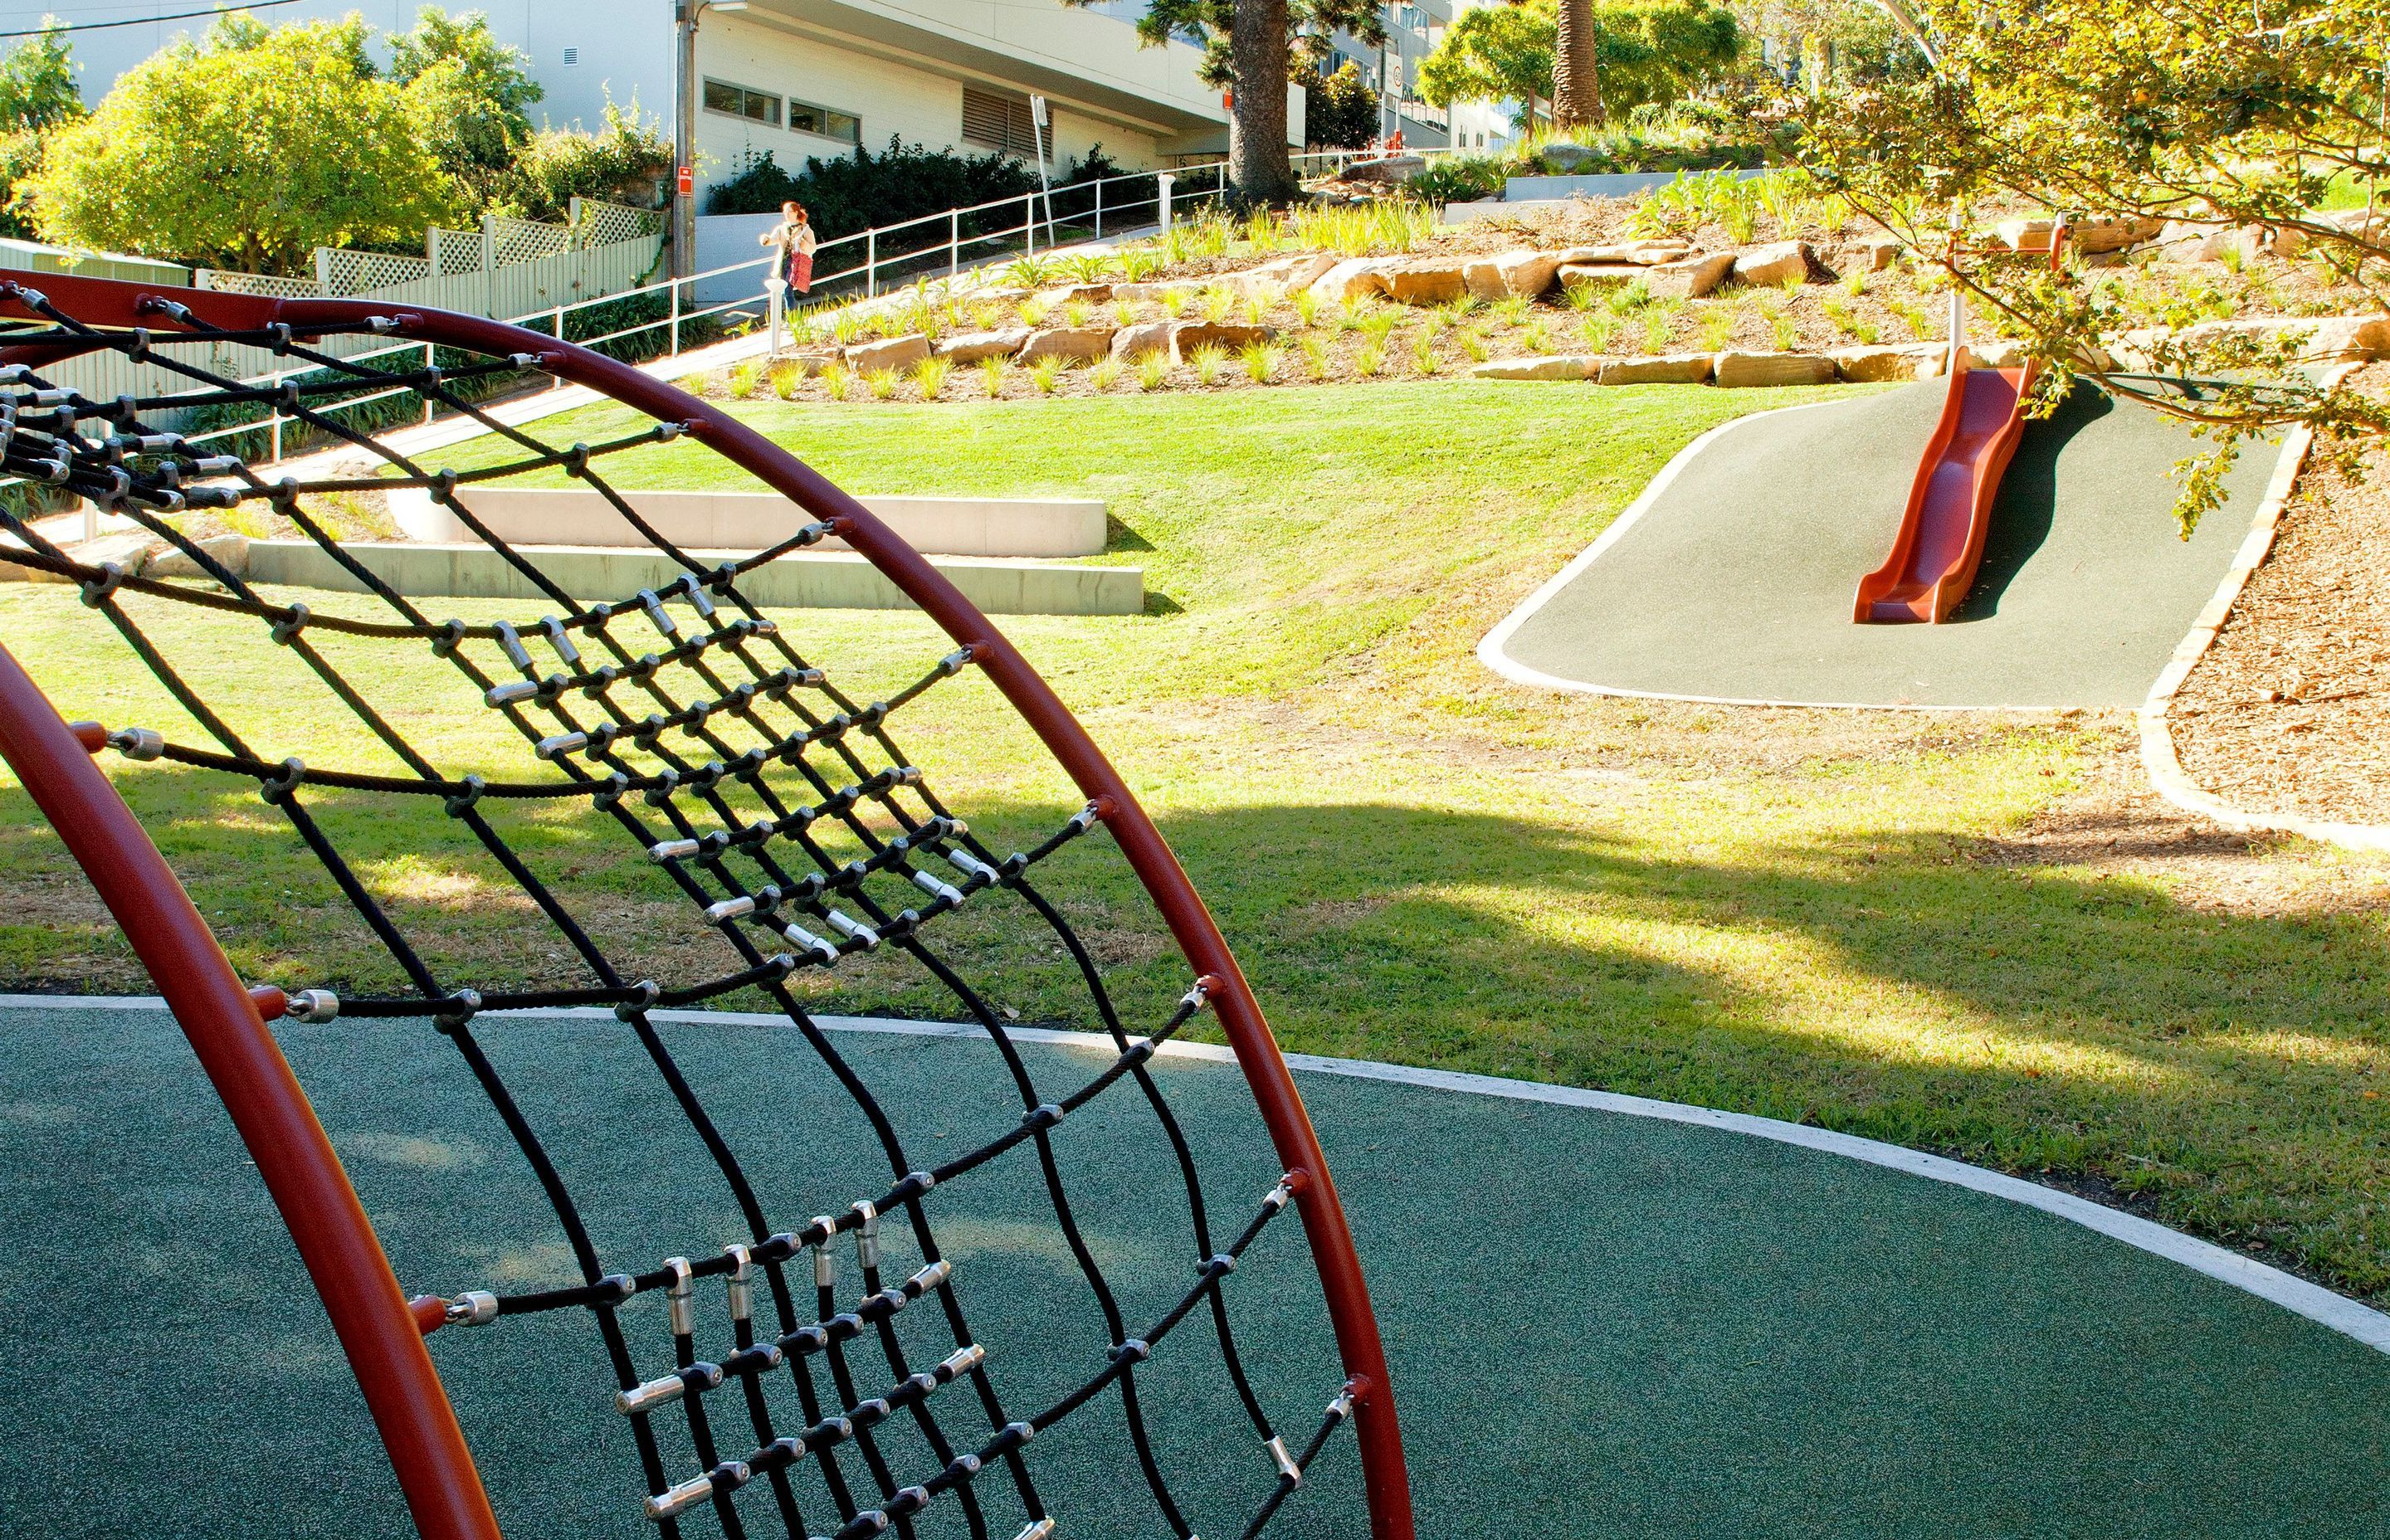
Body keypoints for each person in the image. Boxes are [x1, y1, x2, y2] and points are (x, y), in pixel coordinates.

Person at [758, 201, 817, 295]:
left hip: (796, 262)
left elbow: (813, 248)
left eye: (789, 212)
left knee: (788, 289)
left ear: (796, 212)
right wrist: (765, 240)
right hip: (783, 261)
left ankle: (791, 309)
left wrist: (803, 244)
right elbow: (772, 240)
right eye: (785, 212)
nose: (787, 214)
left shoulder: (805, 229)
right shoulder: (781, 229)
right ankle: (788, 309)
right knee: (782, 288)